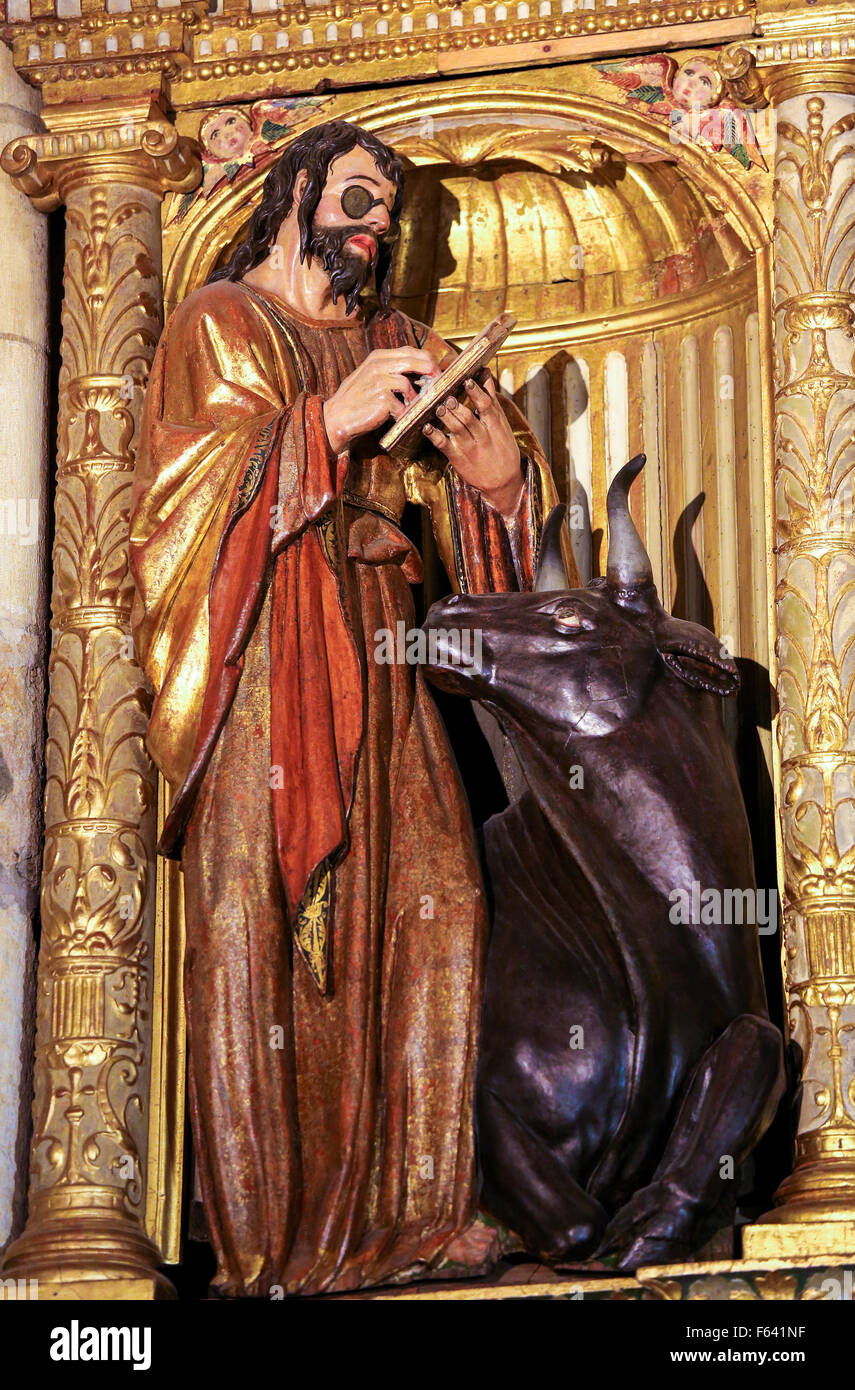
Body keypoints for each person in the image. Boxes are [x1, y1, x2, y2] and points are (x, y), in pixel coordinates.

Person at [130, 119, 565, 1296]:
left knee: (437, 903)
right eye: (357, 202)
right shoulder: (218, 325)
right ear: (297, 193)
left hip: (384, 651)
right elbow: (171, 520)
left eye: (388, 218)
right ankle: (272, 1246)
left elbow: (502, 571)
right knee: (263, 929)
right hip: (267, 660)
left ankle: (420, 1214)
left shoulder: (401, 339)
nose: (372, 233)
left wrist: (497, 483)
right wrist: (322, 423)